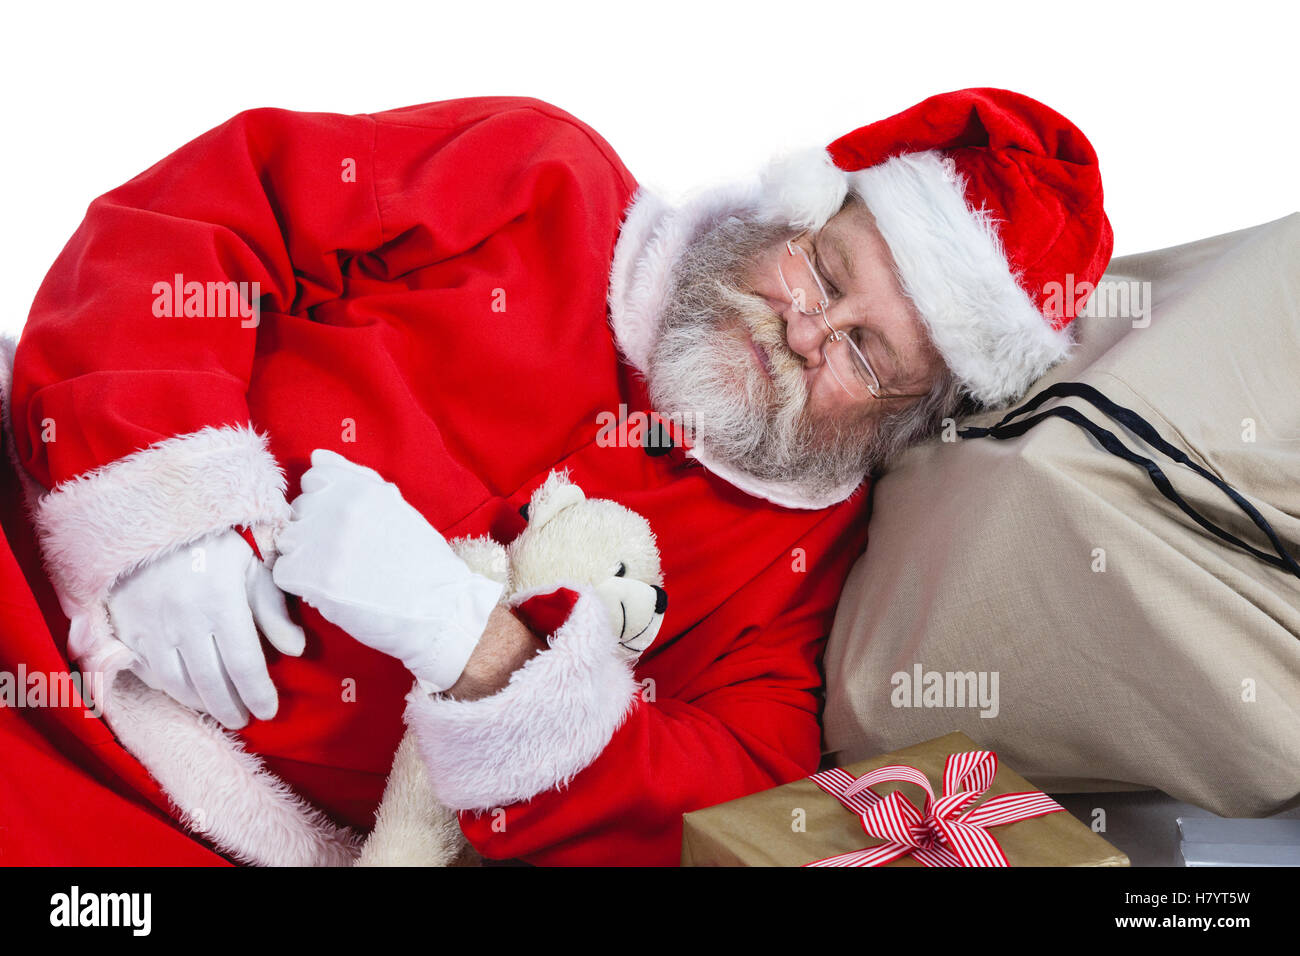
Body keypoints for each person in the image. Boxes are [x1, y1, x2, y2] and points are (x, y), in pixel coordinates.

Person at [1, 87, 1111, 865]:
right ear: (796, 210)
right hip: (31, 553)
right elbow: (206, 213)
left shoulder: (798, 573)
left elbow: (713, 795)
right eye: (823, 270)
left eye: (868, 353)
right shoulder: (541, 173)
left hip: (189, 824)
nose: (807, 331)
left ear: (902, 416)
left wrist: (470, 646)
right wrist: (161, 496)